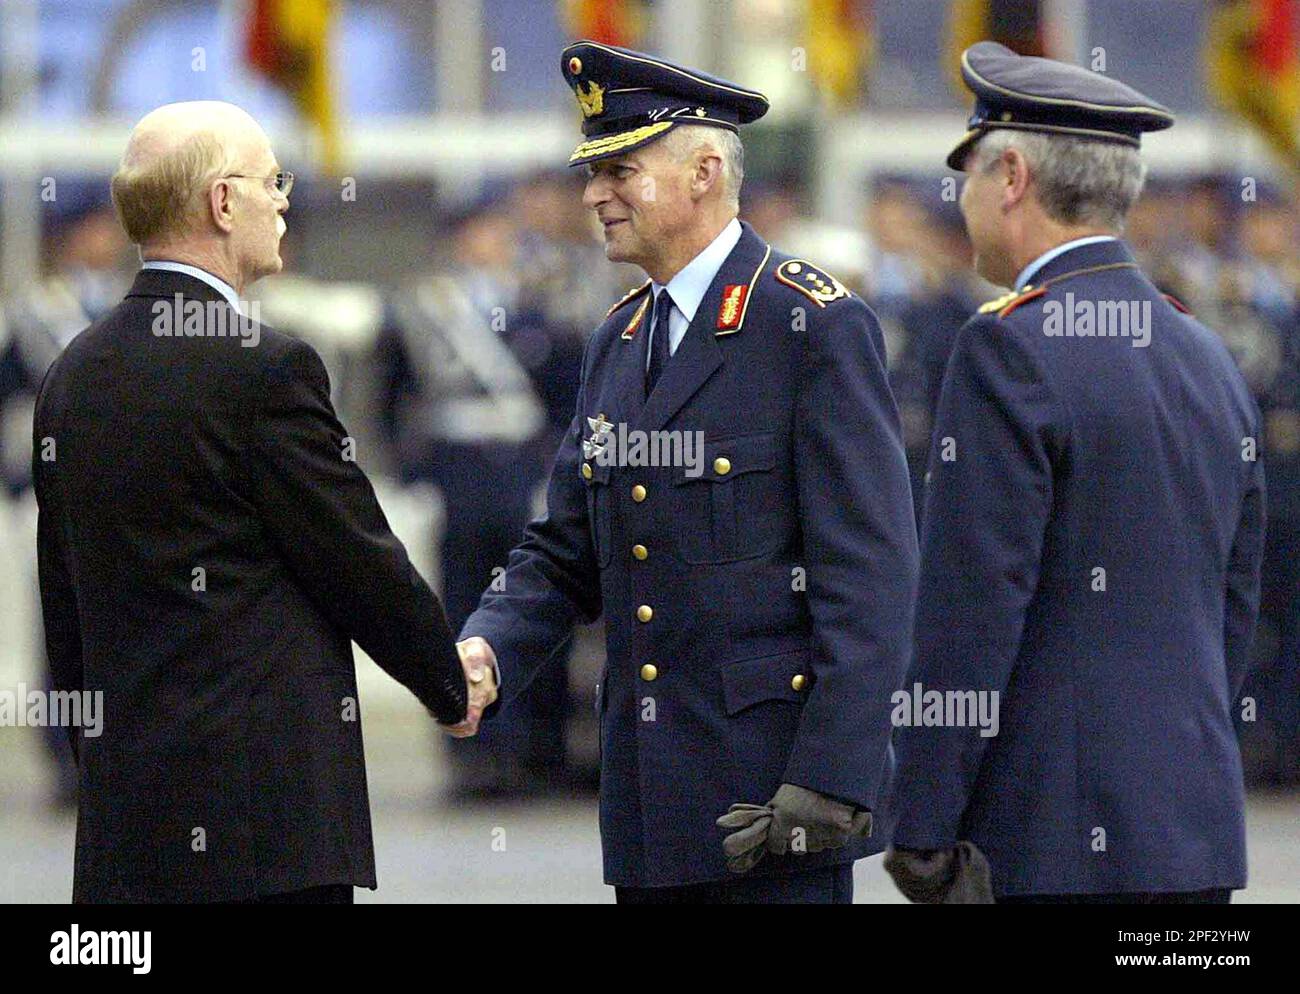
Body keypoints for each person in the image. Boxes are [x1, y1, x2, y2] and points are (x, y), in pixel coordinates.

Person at [458, 42, 919, 903]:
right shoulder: (621, 338)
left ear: (705, 170)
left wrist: (832, 777)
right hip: (649, 805)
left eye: (620, 170)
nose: (594, 194)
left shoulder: (809, 324)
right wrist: (485, 648)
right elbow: (565, 550)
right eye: (593, 173)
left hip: (775, 800)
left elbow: (873, 574)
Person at [32, 101, 489, 904]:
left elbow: (64, 600)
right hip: (262, 827)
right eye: (271, 180)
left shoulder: (72, 374)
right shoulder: (264, 370)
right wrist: (448, 683)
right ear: (220, 203)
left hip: (127, 833)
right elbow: (354, 557)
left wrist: (96, 765)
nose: (283, 199)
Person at [885, 43, 1266, 904]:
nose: (965, 200)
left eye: (970, 175)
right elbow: (1231, 607)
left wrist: (923, 822)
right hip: (1192, 834)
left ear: (1013, 175)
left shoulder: (1006, 349)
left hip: (1048, 839)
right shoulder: (1204, 353)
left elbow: (970, 607)